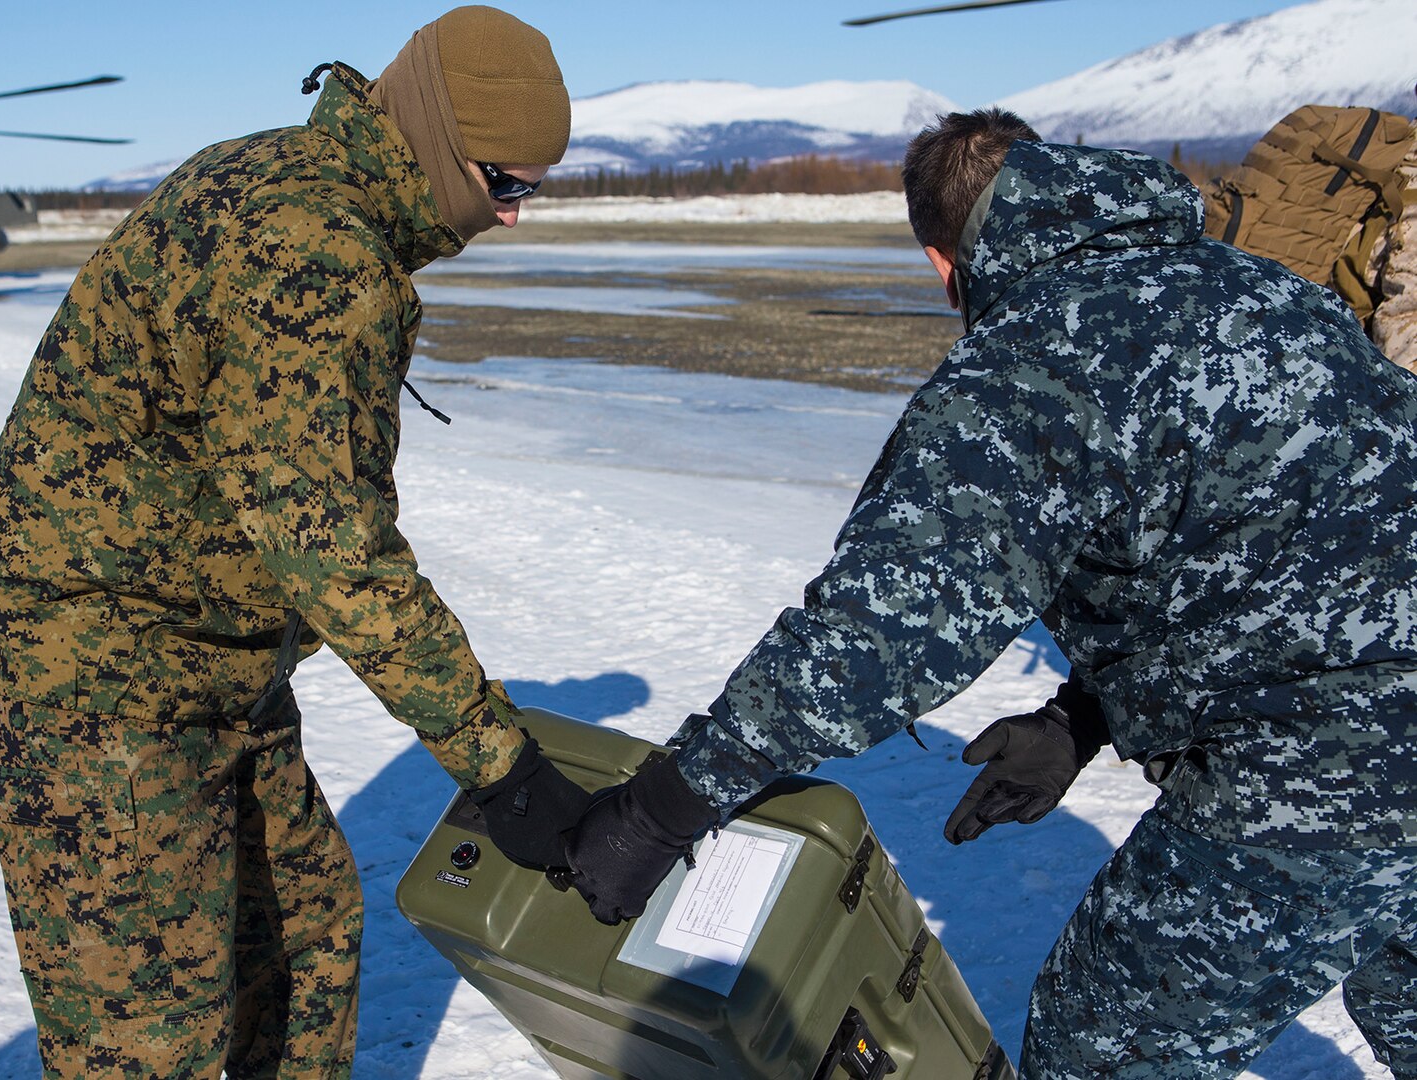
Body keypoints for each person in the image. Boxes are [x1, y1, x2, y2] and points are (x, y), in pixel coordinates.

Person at [564, 109, 1417, 1079]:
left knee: (1099, 1052)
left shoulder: (1039, 353)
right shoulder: (1261, 287)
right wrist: (1079, 717)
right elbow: (1295, 558)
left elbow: (885, 628)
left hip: (1328, 765)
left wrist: (667, 806)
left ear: (943, 262)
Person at [0, 7, 589, 1078]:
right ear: (437, 136)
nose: (513, 217)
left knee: (301, 944)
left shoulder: (309, 190)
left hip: (212, 662)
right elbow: (331, 546)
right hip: (92, 676)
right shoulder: (314, 249)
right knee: (155, 1038)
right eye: (505, 184)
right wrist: (503, 767)